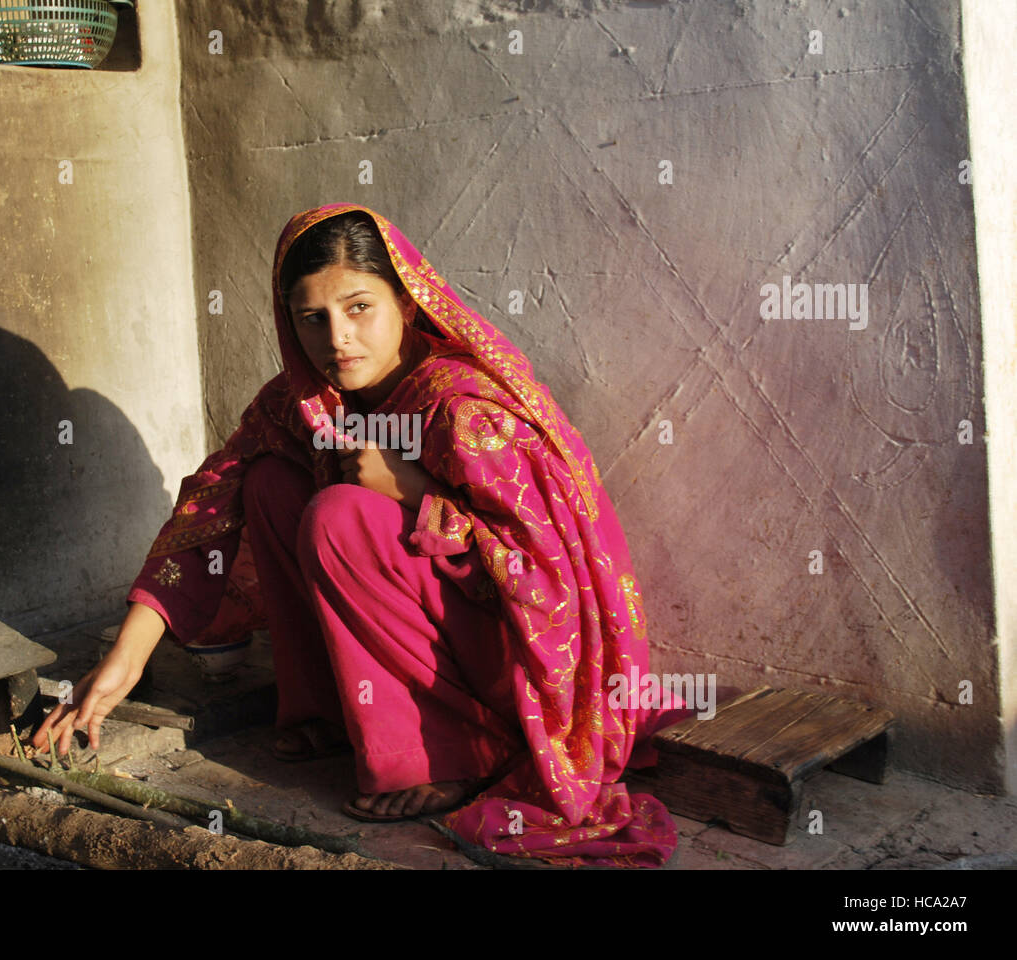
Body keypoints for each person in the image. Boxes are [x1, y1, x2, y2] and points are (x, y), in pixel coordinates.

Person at [35, 202, 689, 867]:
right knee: (266, 483)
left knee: (339, 515)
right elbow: (211, 503)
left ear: (406, 305)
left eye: (358, 308)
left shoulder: (462, 410)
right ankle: (328, 714)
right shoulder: (309, 401)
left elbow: (549, 583)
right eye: (311, 318)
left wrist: (412, 489)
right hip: (429, 631)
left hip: (516, 668)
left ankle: (451, 751)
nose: (337, 339)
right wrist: (127, 658)